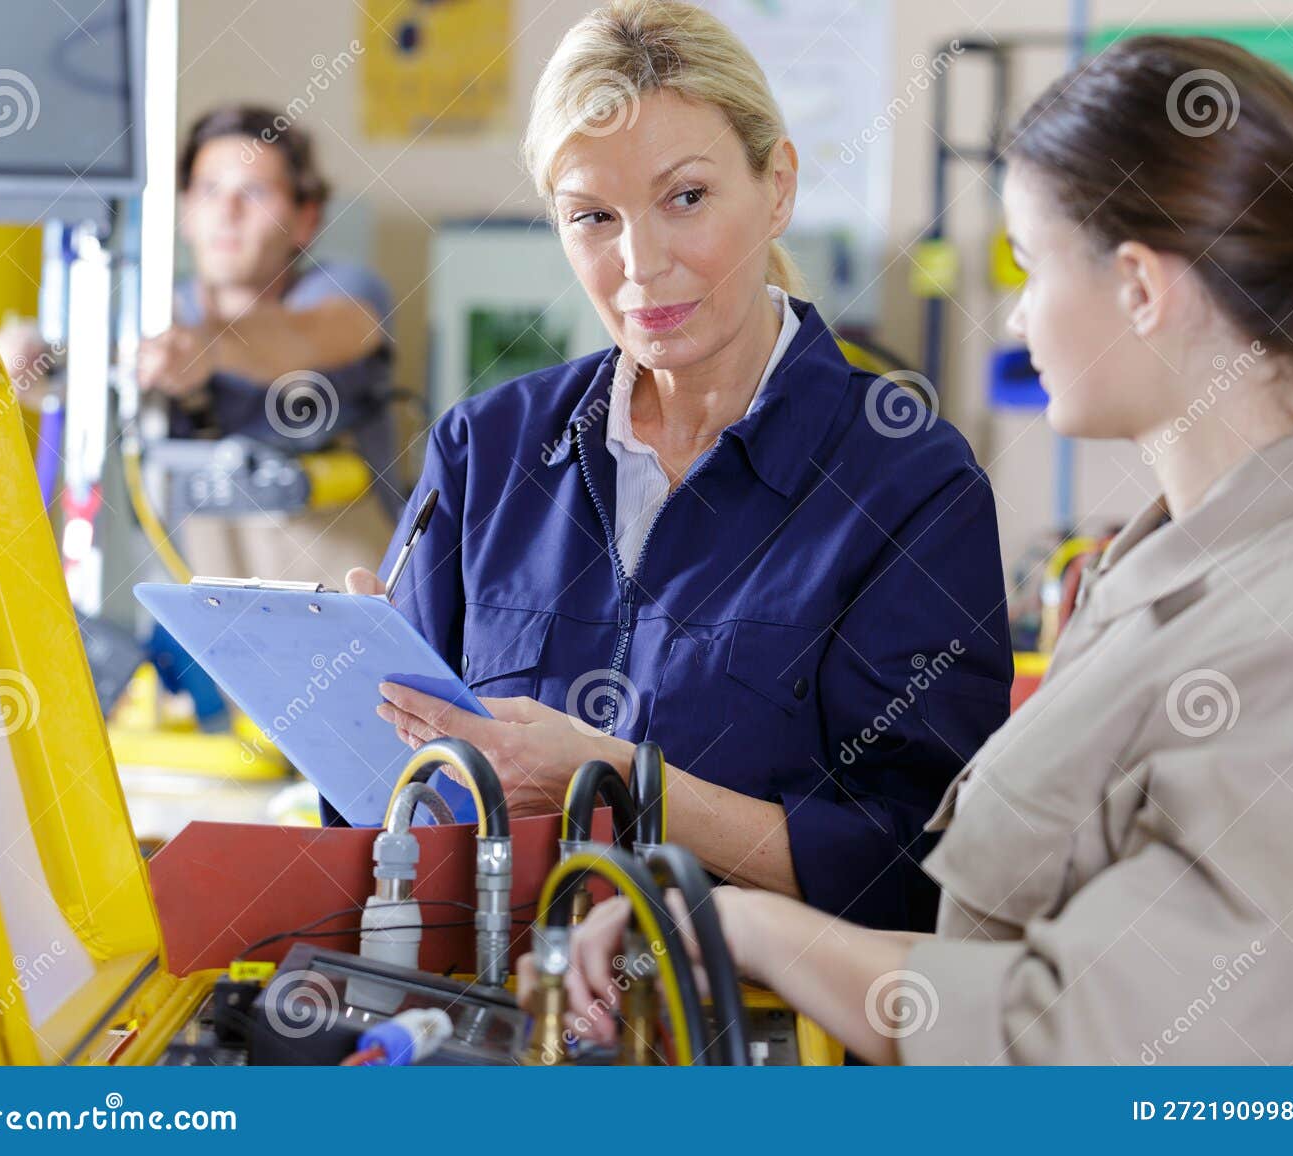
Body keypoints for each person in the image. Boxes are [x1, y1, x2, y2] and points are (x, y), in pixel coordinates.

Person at [526, 34, 1293, 1063]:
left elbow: (1088, 1047)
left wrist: (745, 926)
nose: (1017, 312)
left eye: (1031, 262)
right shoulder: (1166, 575)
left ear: (1141, 288)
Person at [344, 0, 1012, 932]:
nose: (640, 264)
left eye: (686, 198)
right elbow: (381, 818)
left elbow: (925, 872)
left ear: (776, 184)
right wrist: (352, 693)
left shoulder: (909, 485)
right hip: (493, 1018)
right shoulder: (484, 451)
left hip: (747, 1042)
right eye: (592, 217)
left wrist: (621, 782)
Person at [143, 105, 401, 585]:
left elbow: (310, 335)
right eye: (208, 189)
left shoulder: (343, 291)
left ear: (306, 220)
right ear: (184, 213)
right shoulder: (154, 310)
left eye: (254, 192)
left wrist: (211, 349)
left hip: (348, 612)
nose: (227, 211)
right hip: (203, 618)